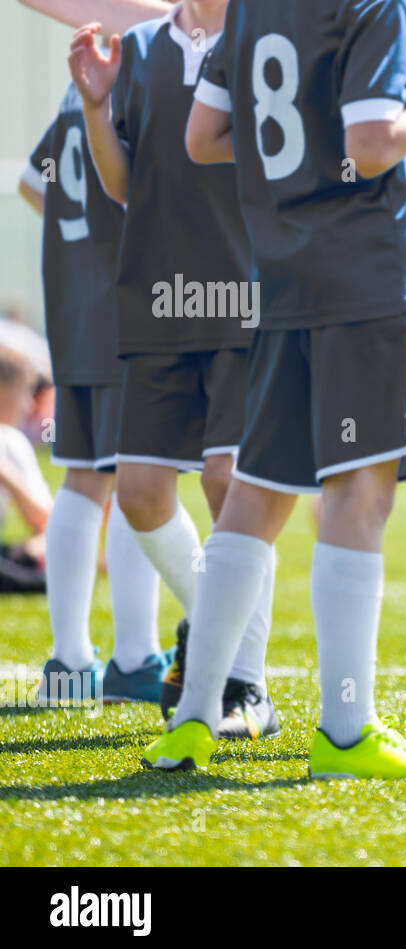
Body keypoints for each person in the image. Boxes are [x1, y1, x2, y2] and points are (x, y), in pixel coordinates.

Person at [141, 0, 406, 779]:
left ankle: (193, 718)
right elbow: (372, 144)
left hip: (284, 277)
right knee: (359, 494)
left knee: (257, 495)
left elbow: (202, 138)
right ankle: (348, 732)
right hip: (366, 278)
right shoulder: (369, 5)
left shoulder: (251, 8)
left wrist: (292, 165)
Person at [68, 1, 279, 735]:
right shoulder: (142, 48)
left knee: (229, 482)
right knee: (141, 495)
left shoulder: (264, 34)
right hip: (157, 295)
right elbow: (123, 183)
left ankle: (246, 682)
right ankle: (212, 621)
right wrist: (97, 106)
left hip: (249, 290)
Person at [19, 80, 165, 703]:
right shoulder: (141, 68)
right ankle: (133, 658)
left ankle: (69, 663)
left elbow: (33, 181)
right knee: (138, 475)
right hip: (126, 307)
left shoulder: (74, 88)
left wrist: (80, 241)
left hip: (74, 307)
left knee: (83, 477)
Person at [0, 347, 52, 595]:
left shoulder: (11, 442)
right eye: (24, 393)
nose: (29, 406)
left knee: (55, 552)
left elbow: (46, 522)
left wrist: (6, 474)